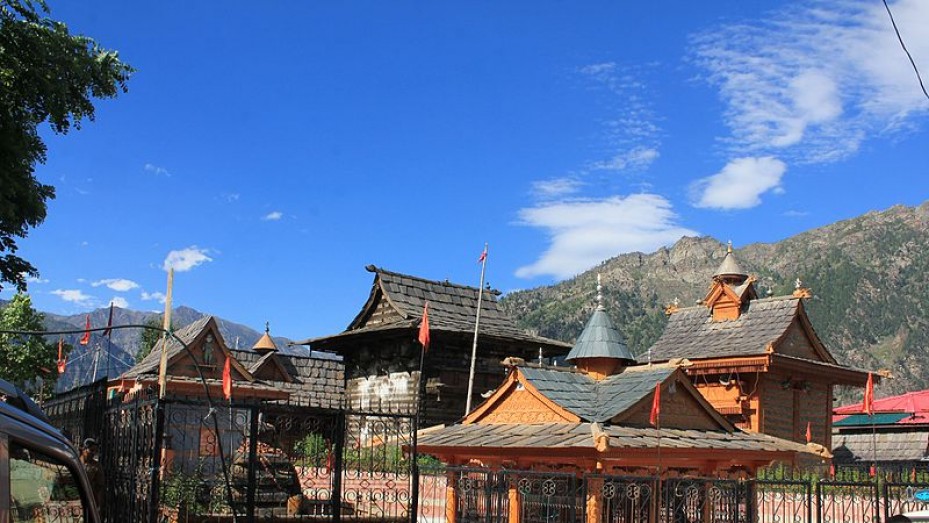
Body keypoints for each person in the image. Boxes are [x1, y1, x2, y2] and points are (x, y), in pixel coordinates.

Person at [80, 438, 105, 515]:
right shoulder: (76, 462)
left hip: (88, 500)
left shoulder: (96, 466)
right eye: (91, 450)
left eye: (95, 451)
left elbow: (100, 486)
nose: (93, 453)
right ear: (84, 449)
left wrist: (98, 506)